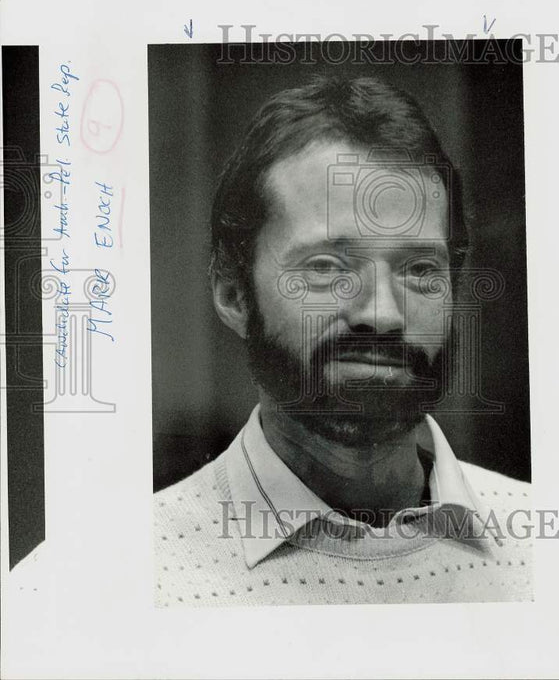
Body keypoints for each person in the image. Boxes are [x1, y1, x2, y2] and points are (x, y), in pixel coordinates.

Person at [154, 76, 532, 606]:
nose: (381, 313)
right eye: (327, 267)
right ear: (234, 294)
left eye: (420, 268)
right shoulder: (127, 577)